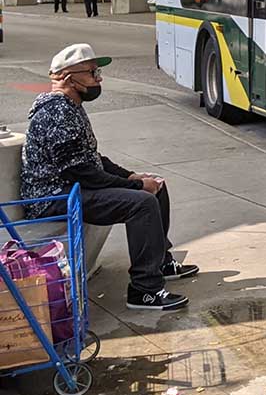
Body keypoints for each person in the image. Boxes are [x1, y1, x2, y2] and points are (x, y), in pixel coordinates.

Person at [20, 44, 198, 311]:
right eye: (92, 73)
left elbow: (93, 160)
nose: (99, 79)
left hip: (71, 188)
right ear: (68, 78)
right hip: (53, 198)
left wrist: (132, 176)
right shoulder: (57, 113)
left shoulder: (69, 106)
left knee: (156, 187)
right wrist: (135, 186)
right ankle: (144, 290)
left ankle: (160, 262)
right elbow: (82, 173)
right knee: (142, 203)